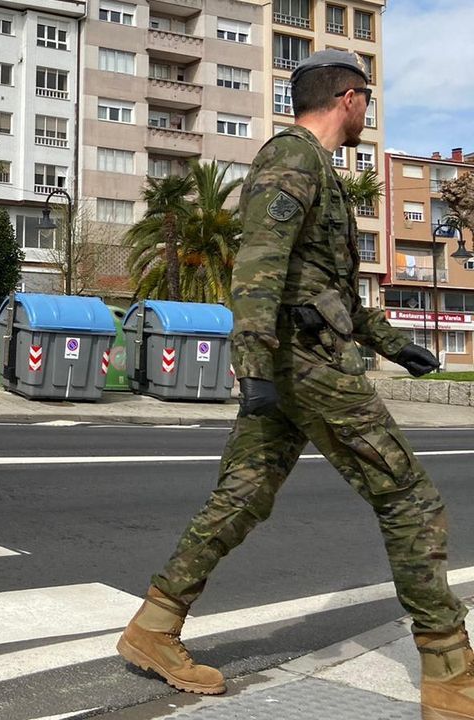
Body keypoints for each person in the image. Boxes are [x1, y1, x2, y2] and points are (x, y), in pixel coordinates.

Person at [114, 50, 471, 717]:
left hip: (293, 362)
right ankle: (451, 674)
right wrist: (253, 368)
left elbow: (328, 291)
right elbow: (258, 267)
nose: (368, 112)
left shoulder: (318, 169)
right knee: (411, 499)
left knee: (242, 497)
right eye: (367, 100)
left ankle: (154, 627)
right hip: (306, 366)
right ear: (349, 98)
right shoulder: (292, 160)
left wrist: (395, 344)